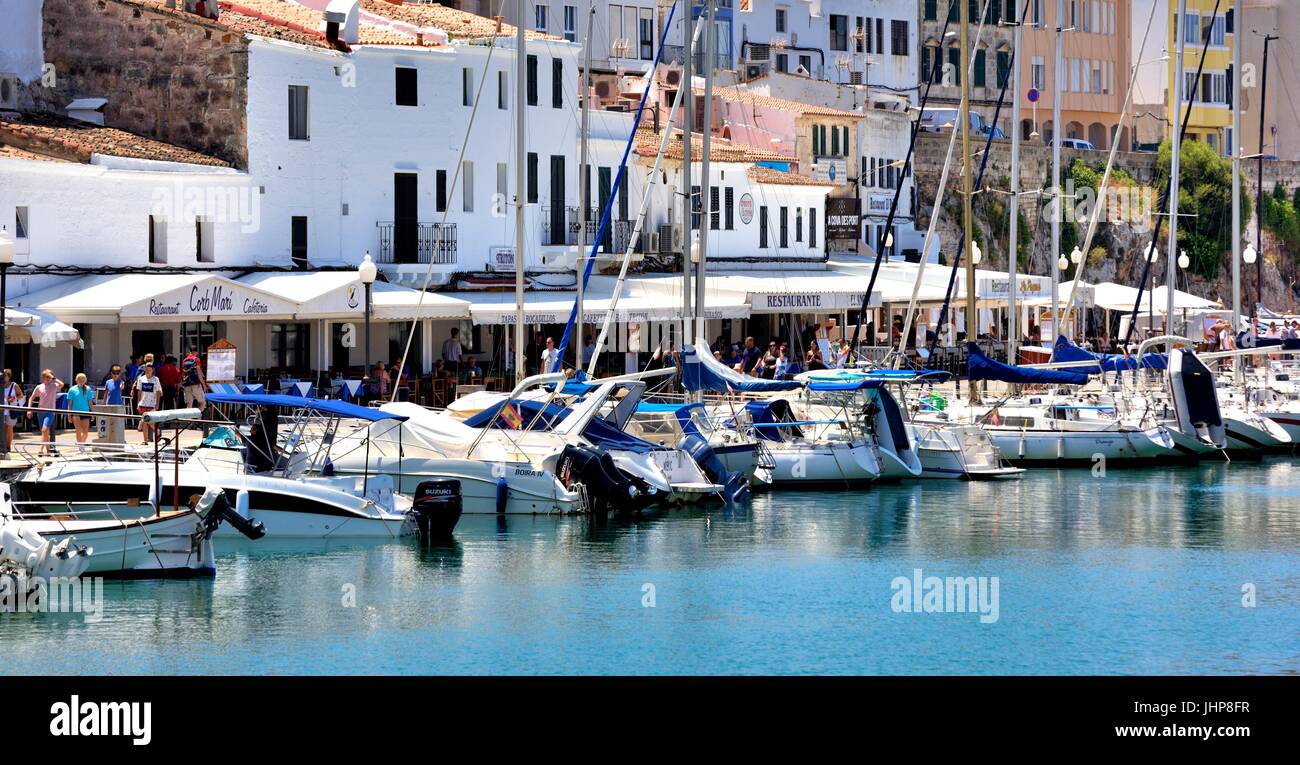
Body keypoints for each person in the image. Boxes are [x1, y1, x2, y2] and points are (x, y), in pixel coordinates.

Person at [26, 369, 64, 456]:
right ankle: (48, 450)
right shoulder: (39, 387)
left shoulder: (54, 385)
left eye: (49, 377)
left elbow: (61, 384)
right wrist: (29, 409)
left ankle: (40, 450)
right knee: (44, 432)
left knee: (44, 429)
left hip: (50, 411)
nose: (48, 378)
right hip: (40, 411)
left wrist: (53, 377)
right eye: (46, 377)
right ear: (43, 377)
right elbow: (31, 398)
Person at [66, 373, 95, 447]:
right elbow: (70, 403)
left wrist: (92, 413)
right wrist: (69, 415)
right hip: (75, 412)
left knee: (85, 432)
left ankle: (81, 444)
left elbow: (90, 402)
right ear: (76, 380)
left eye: (83, 379)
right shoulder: (72, 390)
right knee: (78, 430)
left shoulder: (88, 389)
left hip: (85, 412)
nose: (81, 381)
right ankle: (80, 447)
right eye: (80, 379)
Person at [135, 362, 160, 443]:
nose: (148, 371)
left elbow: (158, 392)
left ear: (152, 370)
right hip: (143, 403)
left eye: (149, 370)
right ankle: (145, 440)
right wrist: (138, 403)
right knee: (144, 422)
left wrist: (157, 404)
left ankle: (158, 431)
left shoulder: (156, 379)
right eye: (146, 369)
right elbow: (139, 391)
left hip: (152, 404)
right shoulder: (141, 379)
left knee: (149, 421)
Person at [181, 347, 206, 413]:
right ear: (196, 352)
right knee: (202, 403)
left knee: (189, 405)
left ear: (190, 351)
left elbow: (183, 374)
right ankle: (196, 418)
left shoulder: (184, 360)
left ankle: (189, 421)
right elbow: (199, 373)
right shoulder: (196, 359)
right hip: (196, 385)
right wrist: (203, 384)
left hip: (187, 385)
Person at [3, 369, 22, 449]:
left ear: (8, 377)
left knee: (9, 428)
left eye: (5, 376)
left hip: (10, 410)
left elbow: (21, 396)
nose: (3, 377)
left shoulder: (14, 385)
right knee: (2, 428)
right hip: (1, 409)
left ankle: (8, 446)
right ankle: (2, 445)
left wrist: (14, 398)